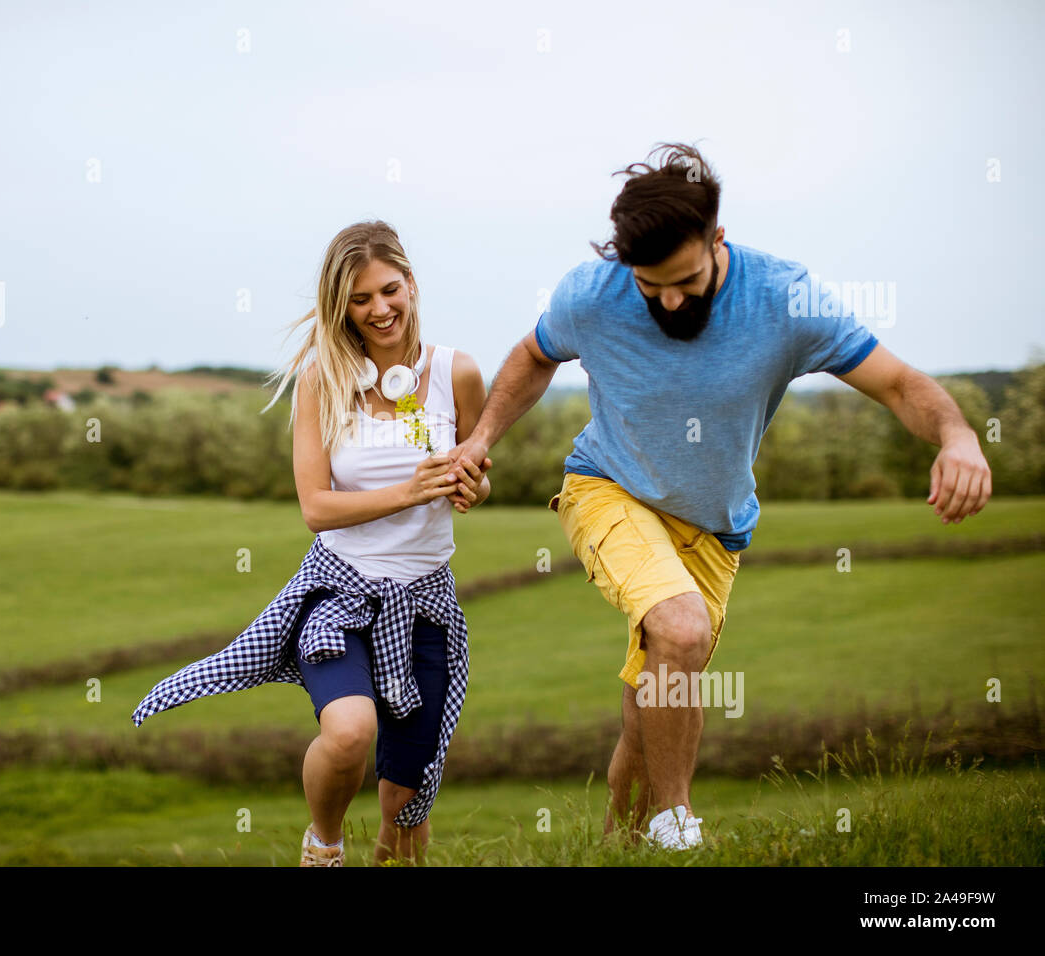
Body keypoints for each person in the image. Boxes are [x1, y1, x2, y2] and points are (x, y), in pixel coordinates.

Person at [446, 143, 992, 850]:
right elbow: (532, 354)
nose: (669, 301)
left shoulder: (784, 300)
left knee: (654, 716)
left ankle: (621, 846)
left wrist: (956, 436)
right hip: (606, 488)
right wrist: (480, 437)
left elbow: (896, 382)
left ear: (717, 240)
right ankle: (680, 825)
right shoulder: (591, 293)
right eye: (651, 287)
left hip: (714, 528)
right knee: (680, 629)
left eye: (685, 280)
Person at [131, 220, 493, 866]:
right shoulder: (321, 381)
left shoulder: (456, 372)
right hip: (340, 592)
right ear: (341, 307)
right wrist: (411, 491)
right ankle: (323, 844)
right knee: (350, 732)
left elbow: (473, 477)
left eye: (388, 290)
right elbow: (316, 508)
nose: (379, 309)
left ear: (411, 284)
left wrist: (469, 489)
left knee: (406, 804)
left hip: (425, 600)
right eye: (360, 299)